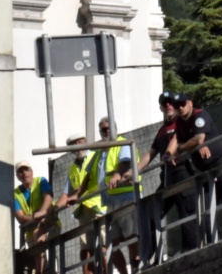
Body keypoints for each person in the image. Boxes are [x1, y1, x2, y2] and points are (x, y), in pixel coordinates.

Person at [166, 93, 222, 238]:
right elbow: (184, 141)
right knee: (205, 212)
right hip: (204, 172)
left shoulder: (199, 115)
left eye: (183, 104)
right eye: (177, 106)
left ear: (190, 103)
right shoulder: (180, 123)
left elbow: (198, 138)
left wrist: (185, 147)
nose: (180, 108)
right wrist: (195, 146)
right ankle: (212, 243)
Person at [137, 92, 198, 259]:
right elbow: (150, 154)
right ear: (161, 108)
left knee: (187, 212)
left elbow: (188, 139)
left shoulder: (184, 122)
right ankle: (152, 257)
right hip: (167, 179)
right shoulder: (161, 131)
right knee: (150, 215)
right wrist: (134, 171)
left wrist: (172, 153)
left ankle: (191, 251)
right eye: (165, 104)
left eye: (171, 102)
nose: (169, 106)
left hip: (184, 173)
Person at [57, 133, 106, 274]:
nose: (77, 146)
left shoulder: (96, 156)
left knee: (103, 245)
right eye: (74, 145)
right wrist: (53, 209)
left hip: (98, 206)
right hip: (83, 211)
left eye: (80, 142)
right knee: (86, 250)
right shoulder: (73, 168)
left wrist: (76, 194)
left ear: (85, 142)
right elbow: (66, 192)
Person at [98, 117, 139, 274]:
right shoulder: (101, 151)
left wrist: (116, 175)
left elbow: (125, 162)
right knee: (110, 244)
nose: (107, 131)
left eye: (109, 128)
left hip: (127, 197)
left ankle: (136, 270)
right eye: (103, 129)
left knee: (131, 237)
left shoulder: (123, 143)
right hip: (110, 201)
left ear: (116, 129)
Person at [12, 160, 57, 274]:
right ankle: (41, 270)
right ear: (17, 176)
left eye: (26, 169)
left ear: (31, 171)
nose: (24, 173)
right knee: (42, 262)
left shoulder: (41, 181)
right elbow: (20, 217)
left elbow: (48, 196)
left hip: (49, 224)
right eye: (20, 171)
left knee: (40, 239)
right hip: (30, 233)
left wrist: (42, 211)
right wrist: (35, 217)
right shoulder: (15, 194)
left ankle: (39, 271)